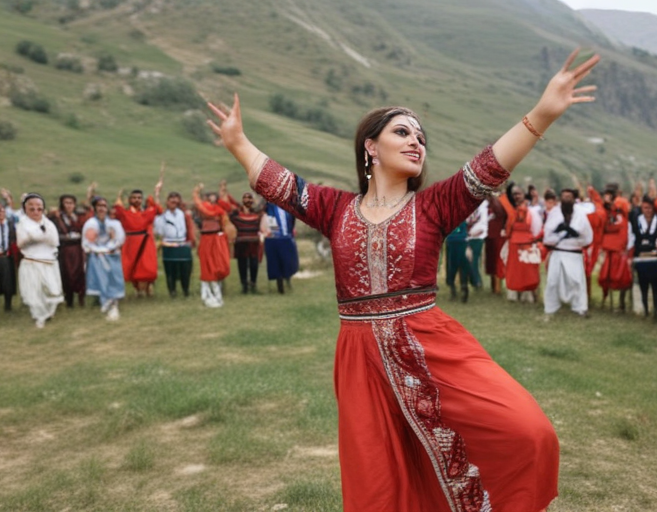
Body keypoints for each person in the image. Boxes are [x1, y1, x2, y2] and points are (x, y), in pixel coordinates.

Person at [208, 48, 599, 512]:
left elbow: (492, 164)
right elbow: (279, 183)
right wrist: (237, 142)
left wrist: (542, 113)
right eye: (402, 132)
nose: (417, 142)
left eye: (422, 137)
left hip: (431, 345)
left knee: (529, 432)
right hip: (359, 360)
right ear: (370, 146)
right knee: (377, 485)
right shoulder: (334, 209)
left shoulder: (434, 206)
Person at [16, 194, 64, 328]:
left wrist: (42, 236)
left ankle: (49, 312)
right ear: (26, 209)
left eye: (39, 209)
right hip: (32, 262)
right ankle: (39, 317)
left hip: (49, 261)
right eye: (32, 209)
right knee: (34, 293)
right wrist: (33, 238)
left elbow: (54, 241)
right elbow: (21, 243)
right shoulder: (22, 224)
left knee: (53, 290)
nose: (36, 212)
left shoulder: (48, 223)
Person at [543, 188, 593, 318]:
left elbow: (587, 236)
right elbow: (547, 235)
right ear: (560, 198)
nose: (566, 199)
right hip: (558, 252)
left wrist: (572, 233)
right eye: (564, 196)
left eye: (569, 196)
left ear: (573, 198)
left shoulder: (580, 214)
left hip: (574, 252)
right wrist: (560, 233)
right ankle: (550, 308)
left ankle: (580, 308)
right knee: (552, 281)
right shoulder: (555, 212)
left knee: (576, 282)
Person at [113, 176, 163, 297]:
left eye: (139, 198)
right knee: (131, 265)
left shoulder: (146, 213)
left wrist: (156, 194)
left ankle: (148, 287)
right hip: (130, 242)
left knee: (147, 266)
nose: (137, 200)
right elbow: (117, 209)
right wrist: (119, 197)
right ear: (129, 200)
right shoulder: (125, 213)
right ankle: (138, 289)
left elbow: (158, 210)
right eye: (134, 198)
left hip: (146, 242)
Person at [82, 196, 126, 321]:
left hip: (112, 256)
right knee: (101, 279)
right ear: (94, 208)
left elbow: (119, 239)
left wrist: (109, 247)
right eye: (99, 206)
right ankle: (105, 301)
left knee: (113, 278)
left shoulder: (114, 223)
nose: (102, 208)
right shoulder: (90, 224)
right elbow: (87, 242)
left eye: (104, 206)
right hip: (97, 256)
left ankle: (113, 302)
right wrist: (99, 250)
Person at [48, 188, 94, 308]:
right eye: (66, 203)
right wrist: (66, 237)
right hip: (65, 250)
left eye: (71, 203)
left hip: (78, 249)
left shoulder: (78, 216)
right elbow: (53, 234)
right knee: (67, 274)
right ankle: (69, 300)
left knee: (80, 273)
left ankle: (81, 298)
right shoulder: (57, 218)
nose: (69, 205)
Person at [499, 182, 543, 302]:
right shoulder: (512, 212)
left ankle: (528, 295)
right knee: (514, 270)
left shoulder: (532, 211)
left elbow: (537, 228)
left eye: (518, 194)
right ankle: (514, 294)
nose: (516, 196)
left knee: (527, 271)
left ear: (524, 194)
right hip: (513, 244)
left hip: (527, 244)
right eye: (514, 194)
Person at [192, 183, 232, 307]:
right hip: (206, 238)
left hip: (216, 239)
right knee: (206, 266)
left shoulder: (218, 209)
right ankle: (207, 295)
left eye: (214, 196)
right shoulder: (205, 208)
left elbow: (227, 210)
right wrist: (196, 193)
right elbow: (205, 211)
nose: (212, 198)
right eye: (209, 196)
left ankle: (215, 294)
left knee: (218, 265)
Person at [154, 191, 196, 298]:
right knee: (170, 270)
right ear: (167, 202)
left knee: (185, 269)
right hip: (169, 243)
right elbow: (159, 231)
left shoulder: (182, 214)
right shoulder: (163, 216)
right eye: (171, 200)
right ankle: (172, 291)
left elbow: (189, 227)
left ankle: (186, 290)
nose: (174, 202)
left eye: (175, 200)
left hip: (182, 243)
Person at [631, 195, 657, 320]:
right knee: (643, 284)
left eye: (650, 208)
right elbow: (634, 237)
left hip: (655, 257)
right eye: (645, 208)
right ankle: (645, 309)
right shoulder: (637, 221)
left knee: (656, 285)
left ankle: (656, 310)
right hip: (641, 257)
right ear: (642, 208)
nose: (647, 211)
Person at [598, 189, 633, 311]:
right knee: (607, 277)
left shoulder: (621, 214)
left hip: (618, 250)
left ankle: (621, 303)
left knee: (620, 277)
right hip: (610, 250)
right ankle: (607, 300)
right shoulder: (608, 213)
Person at [229, 192, 270, 294]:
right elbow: (229, 215)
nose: (248, 201)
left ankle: (253, 284)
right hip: (241, 243)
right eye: (246, 199)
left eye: (249, 199)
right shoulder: (236, 214)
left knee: (254, 264)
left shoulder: (257, 214)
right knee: (242, 265)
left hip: (254, 242)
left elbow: (265, 204)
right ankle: (244, 286)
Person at [264, 202, 299, 294]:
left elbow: (292, 219)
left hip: (287, 237)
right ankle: (280, 288)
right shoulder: (271, 206)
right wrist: (276, 234)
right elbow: (270, 218)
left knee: (289, 261)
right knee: (278, 263)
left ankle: (288, 280)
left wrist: (290, 233)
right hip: (277, 239)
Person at [445, 221, 471, 302]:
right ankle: (464, 288)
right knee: (463, 267)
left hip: (452, 242)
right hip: (462, 242)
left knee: (452, 267)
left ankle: (454, 290)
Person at [466, 199, 488, 289]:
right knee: (468, 261)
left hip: (477, 238)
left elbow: (484, 224)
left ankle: (476, 282)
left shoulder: (483, 206)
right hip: (466, 238)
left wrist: (479, 232)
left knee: (474, 260)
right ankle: (474, 281)